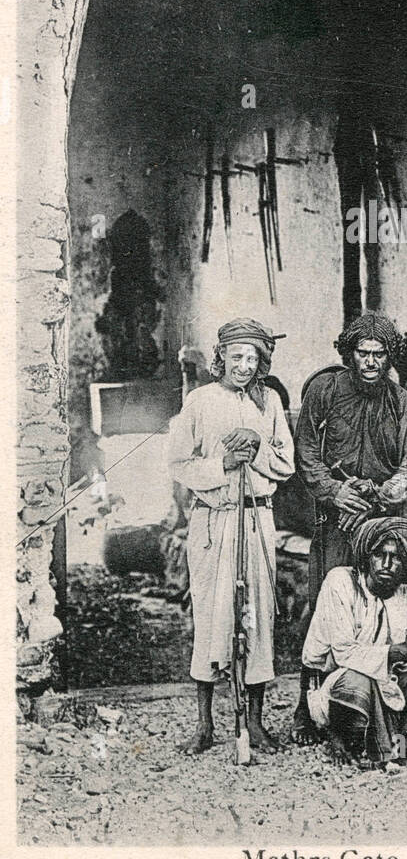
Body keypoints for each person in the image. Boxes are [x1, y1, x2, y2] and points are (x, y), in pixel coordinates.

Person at [292, 310, 407, 743]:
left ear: (389, 357)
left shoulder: (400, 401)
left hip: (381, 522)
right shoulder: (324, 390)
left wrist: (376, 497)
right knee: (324, 607)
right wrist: (334, 492)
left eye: (379, 354)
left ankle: (377, 704)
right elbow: (306, 452)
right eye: (362, 353)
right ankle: (307, 707)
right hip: (336, 521)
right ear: (349, 354)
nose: (370, 362)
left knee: (382, 604)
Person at [167, 318, 295, 754]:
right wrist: (221, 464)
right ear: (221, 357)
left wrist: (256, 447)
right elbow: (178, 463)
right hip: (214, 521)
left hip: (257, 519)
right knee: (211, 617)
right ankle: (204, 724)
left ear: (262, 362)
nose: (243, 366)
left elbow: (286, 464)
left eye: (252, 358)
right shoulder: (200, 401)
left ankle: (255, 723)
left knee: (257, 617)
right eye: (236, 356)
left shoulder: (270, 401)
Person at [302, 515, 407, 767]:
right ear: (366, 557)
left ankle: (397, 746)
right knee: (358, 682)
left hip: (393, 684)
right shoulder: (341, 582)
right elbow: (344, 653)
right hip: (342, 683)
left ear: (406, 563)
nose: (386, 564)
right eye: (379, 555)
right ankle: (340, 738)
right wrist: (396, 653)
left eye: (396, 557)